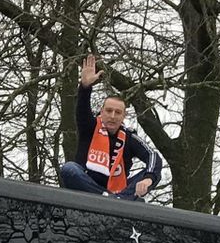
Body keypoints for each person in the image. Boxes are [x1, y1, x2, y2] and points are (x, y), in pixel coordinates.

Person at [59, 54, 162, 201]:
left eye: (118, 112)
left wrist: (148, 179)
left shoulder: (129, 137)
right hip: (87, 186)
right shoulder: (91, 126)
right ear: (102, 112)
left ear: (123, 116)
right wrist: (85, 87)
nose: (112, 116)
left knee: (153, 173)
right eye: (109, 111)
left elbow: (153, 156)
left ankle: (116, 199)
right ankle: (109, 199)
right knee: (69, 169)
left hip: (120, 191)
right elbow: (81, 110)